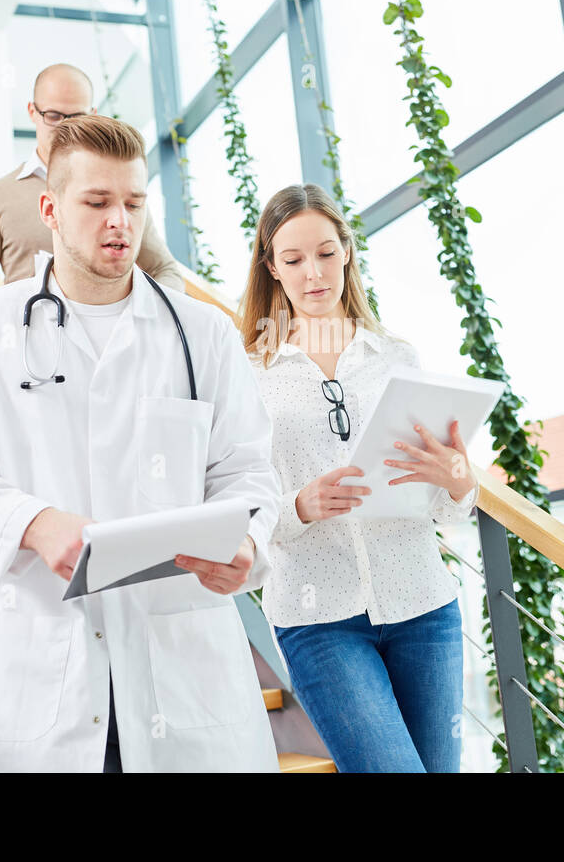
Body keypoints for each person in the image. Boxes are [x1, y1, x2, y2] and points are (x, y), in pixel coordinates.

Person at [0, 115, 282, 772]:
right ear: (50, 208)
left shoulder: (203, 334)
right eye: (98, 202)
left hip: (181, 669)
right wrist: (34, 523)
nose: (120, 222)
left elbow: (246, 468)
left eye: (134, 204)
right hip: (40, 669)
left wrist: (248, 542)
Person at [239, 183, 478, 773]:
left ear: (346, 251)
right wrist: (299, 504)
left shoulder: (396, 357)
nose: (313, 273)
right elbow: (240, 501)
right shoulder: (249, 373)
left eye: (325, 253)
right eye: (293, 260)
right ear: (272, 268)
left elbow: (448, 508)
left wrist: (455, 480)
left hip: (424, 604)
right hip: (318, 622)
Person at [0, 63, 184, 308]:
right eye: (53, 116)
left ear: (92, 114)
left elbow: (163, 269)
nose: (64, 127)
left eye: (77, 117)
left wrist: (150, 319)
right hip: (28, 337)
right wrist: (4, 329)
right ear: (32, 112)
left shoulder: (119, 197)